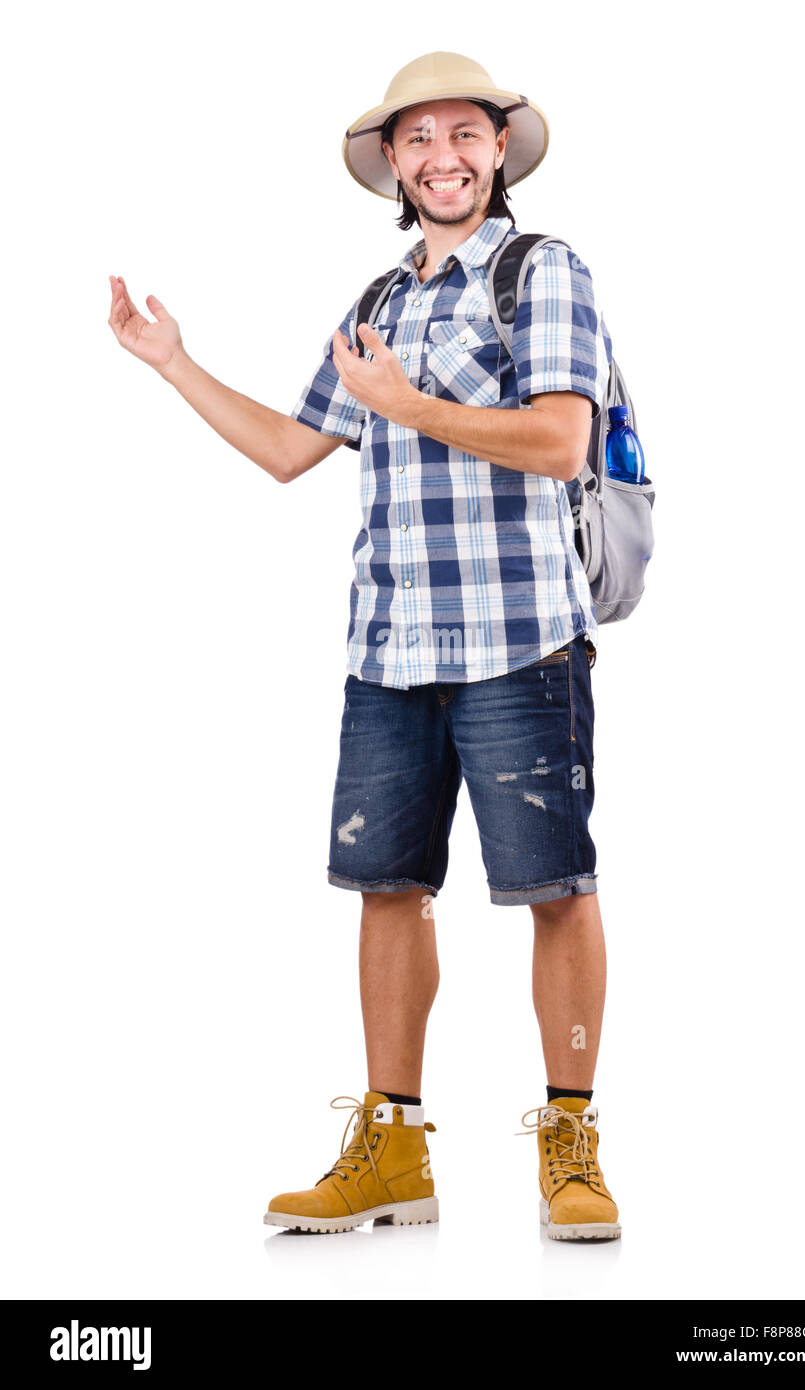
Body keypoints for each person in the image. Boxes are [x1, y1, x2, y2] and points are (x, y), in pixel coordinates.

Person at [107, 50, 621, 1243]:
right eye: (417, 138)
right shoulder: (376, 306)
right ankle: (393, 1147)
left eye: (464, 135)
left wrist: (413, 410)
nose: (442, 155)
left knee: (555, 888)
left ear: (500, 151)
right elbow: (293, 450)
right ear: (393, 163)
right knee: (387, 888)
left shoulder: (544, 273)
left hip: (521, 643)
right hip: (387, 647)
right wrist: (172, 361)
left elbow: (559, 440)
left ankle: (573, 1138)